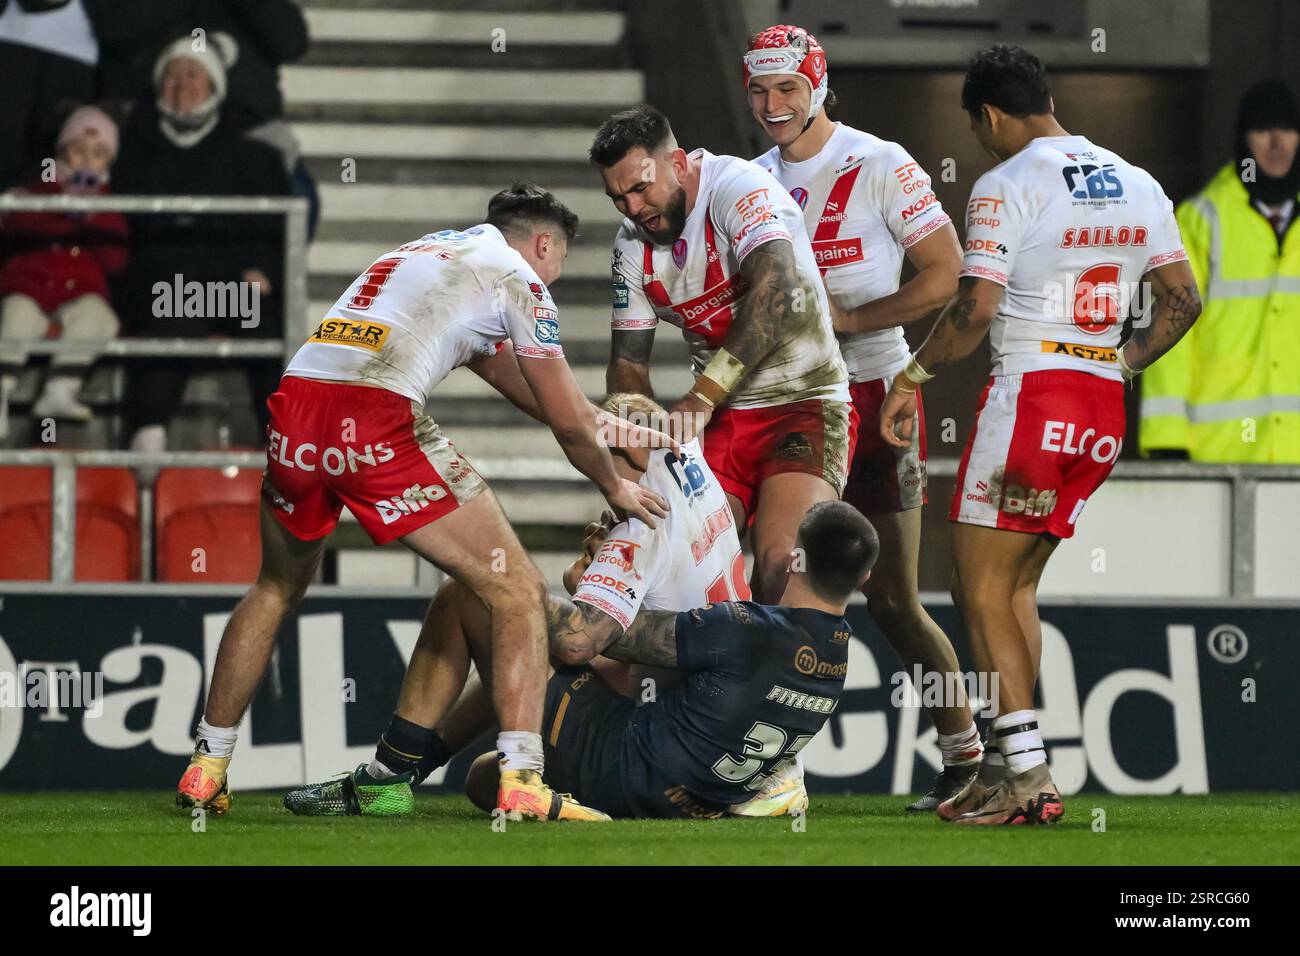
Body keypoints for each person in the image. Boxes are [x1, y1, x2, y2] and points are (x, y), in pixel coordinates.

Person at [175, 184, 672, 823]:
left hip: (295, 407)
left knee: (273, 587)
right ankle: (523, 780)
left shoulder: (429, 253)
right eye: (559, 261)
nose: (553, 275)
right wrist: (614, 485)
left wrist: (609, 425)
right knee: (517, 588)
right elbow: (569, 422)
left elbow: (532, 392)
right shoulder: (519, 278)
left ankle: (207, 765)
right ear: (546, 244)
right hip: (373, 414)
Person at [879, 45, 1201, 824]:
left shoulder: (1006, 184)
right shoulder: (1138, 180)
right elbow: (1185, 301)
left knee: (979, 586)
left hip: (1033, 396)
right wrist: (1119, 365)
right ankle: (1002, 766)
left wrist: (911, 378)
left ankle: (1028, 777)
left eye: (977, 127)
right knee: (1014, 586)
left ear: (990, 115)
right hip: (1100, 408)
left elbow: (974, 309)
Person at [281, 393, 816, 820]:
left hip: (651, 740)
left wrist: (556, 587)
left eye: (598, 449)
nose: (592, 466)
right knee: (485, 775)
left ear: (633, 450)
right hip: (706, 734)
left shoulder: (641, 522)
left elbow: (578, 646)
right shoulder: (700, 477)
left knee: (472, 596)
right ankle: (413, 769)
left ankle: (388, 775)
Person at [744, 23, 982, 811]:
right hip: (789, 404)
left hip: (877, 398)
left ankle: (966, 758)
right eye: (759, 90)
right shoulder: (747, 179)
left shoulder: (880, 162)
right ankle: (762, 766)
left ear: (817, 86)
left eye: (787, 88)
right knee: (775, 582)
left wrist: (847, 321)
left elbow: (946, 273)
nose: (772, 105)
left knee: (895, 602)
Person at [592, 104, 854, 607]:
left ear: (678, 163)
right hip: (724, 422)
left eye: (641, 188)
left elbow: (777, 292)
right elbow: (628, 364)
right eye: (618, 198)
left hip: (804, 404)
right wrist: (641, 439)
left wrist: (702, 397)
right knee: (683, 562)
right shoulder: (630, 246)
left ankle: (796, 657)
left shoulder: (738, 187)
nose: (632, 208)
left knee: (780, 566)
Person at [112, 36, 289, 452]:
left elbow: (271, 232)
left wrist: (260, 269)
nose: (181, 86)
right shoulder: (133, 154)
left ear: (214, 86)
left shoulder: (253, 158)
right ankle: (148, 439)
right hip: (161, 287)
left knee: (262, 319)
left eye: (193, 75)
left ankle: (283, 446)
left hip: (228, 287)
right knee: (173, 312)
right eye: (172, 76)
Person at [1140, 79, 1300, 463]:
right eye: (1262, 129)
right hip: (1220, 457)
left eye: (1287, 129)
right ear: (1244, 140)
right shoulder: (1201, 220)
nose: (1277, 143)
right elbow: (1172, 327)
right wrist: (1166, 437)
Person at [0, 105, 125, 441]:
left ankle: (62, 387)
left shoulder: (108, 204)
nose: (86, 160)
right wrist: (63, 208)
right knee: (17, 317)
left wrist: (94, 215)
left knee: (99, 318)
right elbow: (20, 228)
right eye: (78, 150)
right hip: (30, 289)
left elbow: (115, 258)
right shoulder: (38, 191)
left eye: (98, 154)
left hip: (78, 293)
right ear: (61, 151)